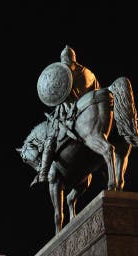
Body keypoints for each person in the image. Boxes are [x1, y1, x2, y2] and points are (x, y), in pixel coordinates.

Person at [33, 45, 100, 186]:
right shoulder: (89, 73)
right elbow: (97, 91)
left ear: (64, 59)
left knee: (50, 138)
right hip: (93, 107)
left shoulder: (65, 71)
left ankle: (44, 172)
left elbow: (64, 97)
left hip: (73, 112)